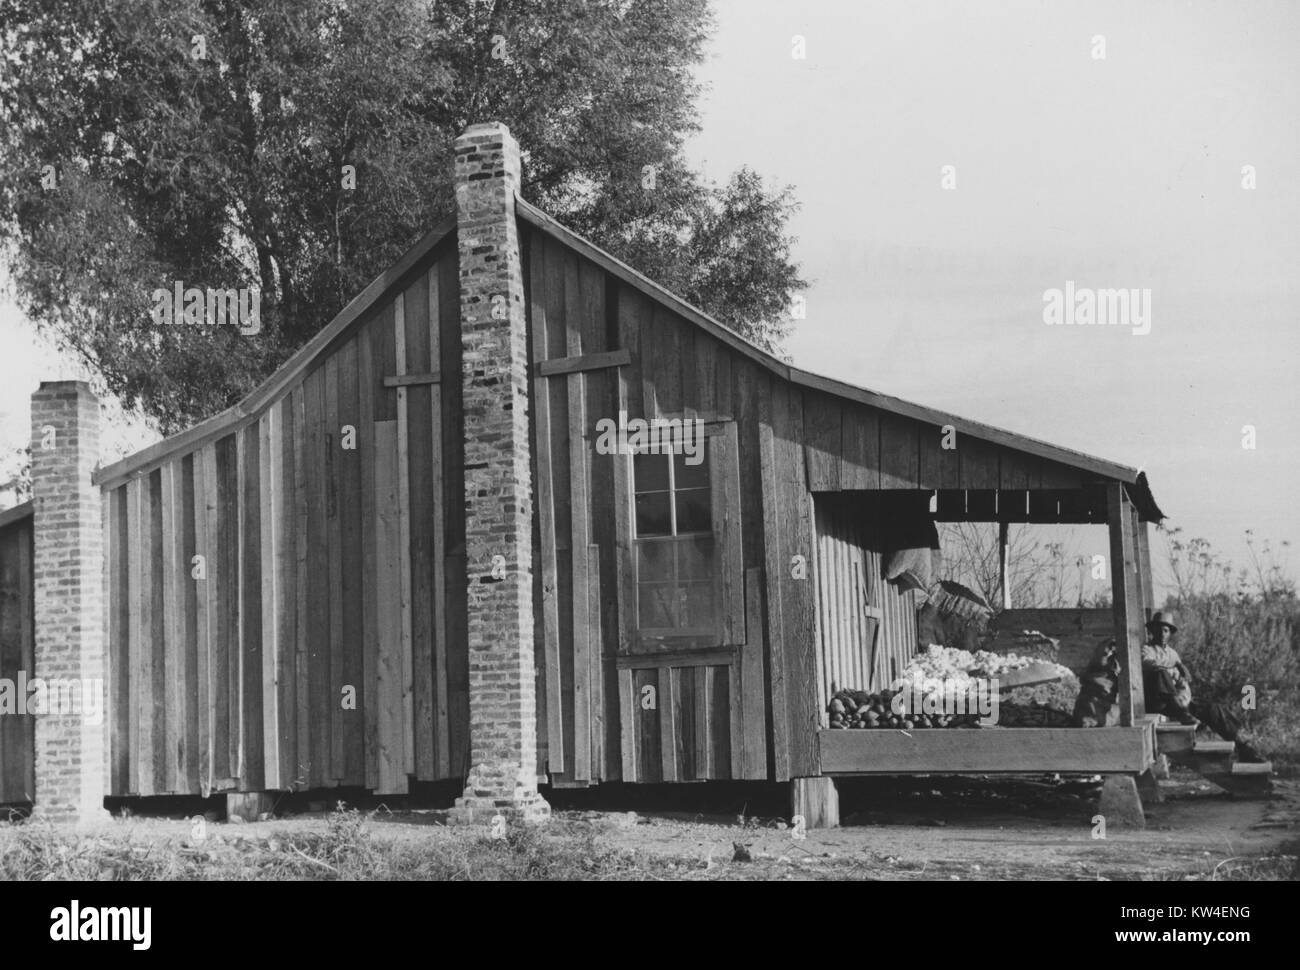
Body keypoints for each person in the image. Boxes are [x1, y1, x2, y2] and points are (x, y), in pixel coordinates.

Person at [1141, 611, 1264, 762]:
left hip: (1177, 703)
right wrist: (1175, 665)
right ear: (1152, 630)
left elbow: (1183, 682)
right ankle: (1182, 713)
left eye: (1165, 630)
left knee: (1214, 709)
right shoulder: (1146, 649)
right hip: (1157, 701)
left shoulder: (1173, 653)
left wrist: (1184, 697)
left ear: (1170, 634)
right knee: (1160, 673)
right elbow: (1147, 664)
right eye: (1158, 629)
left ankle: (1244, 747)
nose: (1162, 633)